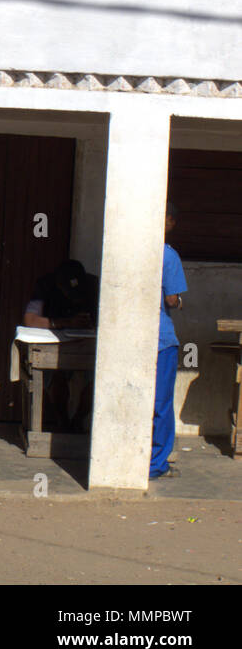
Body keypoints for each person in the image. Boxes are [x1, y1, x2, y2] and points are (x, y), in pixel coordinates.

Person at [22, 259, 100, 431]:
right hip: (54, 344)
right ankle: (62, 420)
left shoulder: (94, 285)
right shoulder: (44, 286)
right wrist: (65, 322)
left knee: (99, 378)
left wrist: (91, 324)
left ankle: (79, 419)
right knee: (55, 374)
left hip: (86, 344)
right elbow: (30, 319)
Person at [151, 203, 187, 480]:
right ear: (170, 222)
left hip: (135, 341)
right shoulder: (168, 255)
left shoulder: (134, 252)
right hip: (161, 340)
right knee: (161, 404)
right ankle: (156, 463)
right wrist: (178, 301)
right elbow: (171, 299)